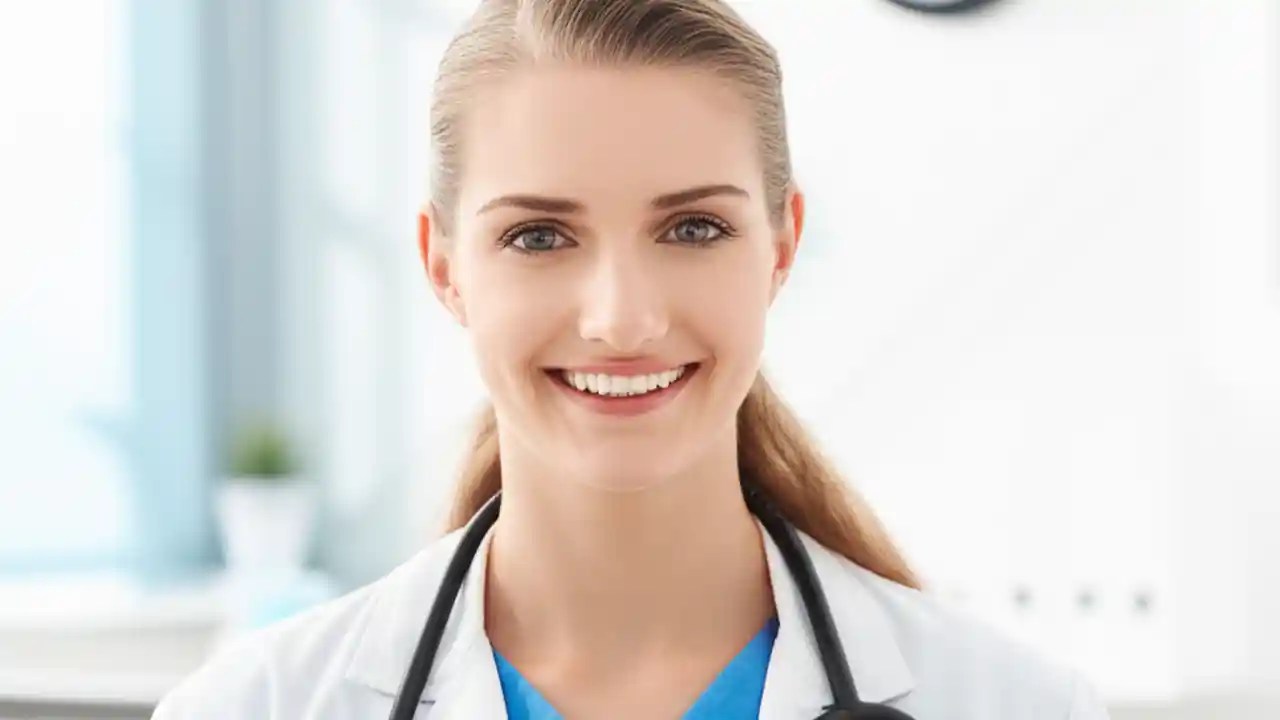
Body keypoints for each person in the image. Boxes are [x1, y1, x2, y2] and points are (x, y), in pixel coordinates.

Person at [153, 0, 1111, 718]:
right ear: (443, 267)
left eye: (693, 229)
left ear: (780, 246)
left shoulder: (1017, 706)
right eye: (538, 237)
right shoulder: (248, 709)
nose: (622, 320)